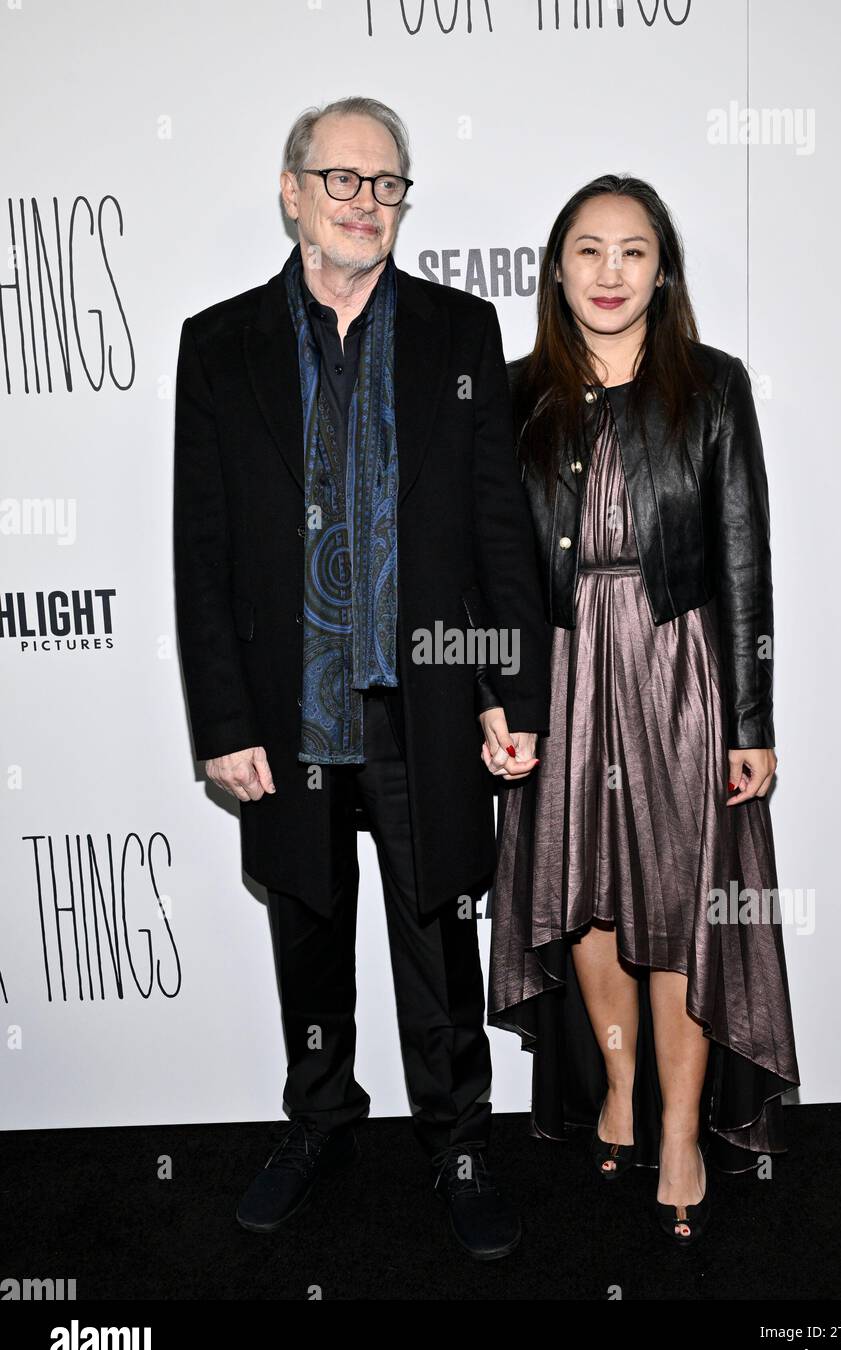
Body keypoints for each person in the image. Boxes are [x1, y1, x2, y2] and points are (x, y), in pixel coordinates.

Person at [172, 96, 549, 1258]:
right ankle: (319, 1118)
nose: (366, 203)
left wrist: (510, 691)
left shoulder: (456, 332)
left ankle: (459, 1135)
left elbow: (497, 531)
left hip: (423, 701)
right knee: (306, 930)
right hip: (287, 714)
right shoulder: (219, 342)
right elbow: (203, 549)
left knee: (436, 931)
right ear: (291, 192)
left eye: (387, 183)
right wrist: (224, 720)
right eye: (342, 180)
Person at [484, 174, 801, 1245]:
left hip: (678, 666)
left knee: (677, 906)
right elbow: (492, 569)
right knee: (588, 899)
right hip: (564, 667)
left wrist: (749, 716)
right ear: (555, 268)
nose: (609, 272)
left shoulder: (710, 385)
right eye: (587, 250)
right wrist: (499, 689)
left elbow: (743, 557)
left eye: (632, 251)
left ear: (660, 271)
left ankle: (676, 1130)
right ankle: (615, 1086)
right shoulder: (514, 391)